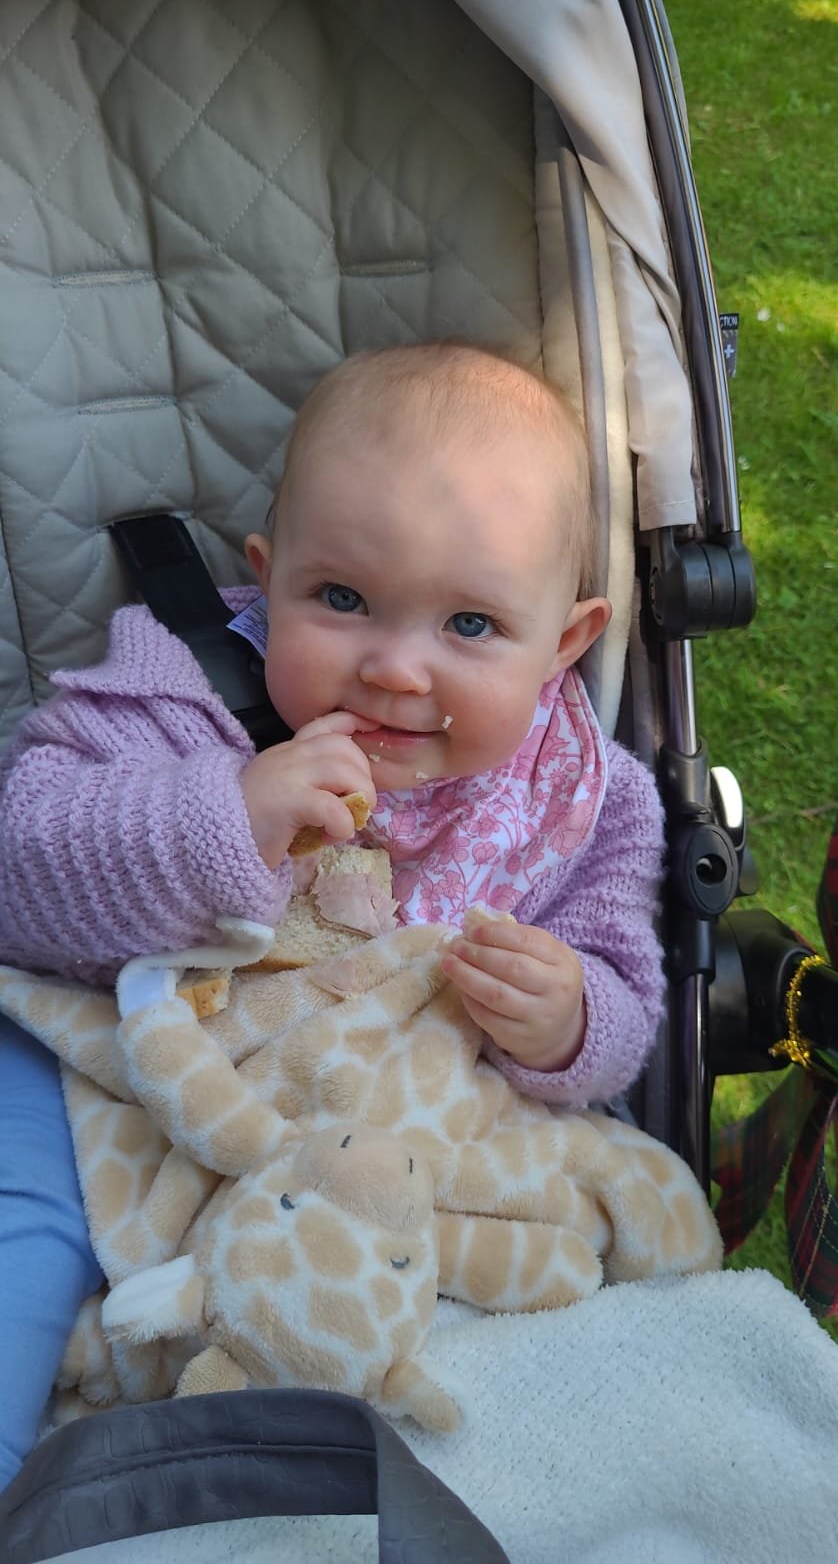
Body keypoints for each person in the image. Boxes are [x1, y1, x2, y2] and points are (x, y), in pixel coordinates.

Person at [0, 341, 665, 1487]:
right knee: (27, 1218)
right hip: (134, 1080)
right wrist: (226, 817)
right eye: (342, 600)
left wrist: (568, 1020)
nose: (396, 669)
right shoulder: (184, 697)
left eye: (469, 626)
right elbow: (23, 874)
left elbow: (622, 1005)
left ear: (564, 641)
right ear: (268, 580)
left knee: (564, 1232)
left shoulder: (579, 798)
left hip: (377, 1157)